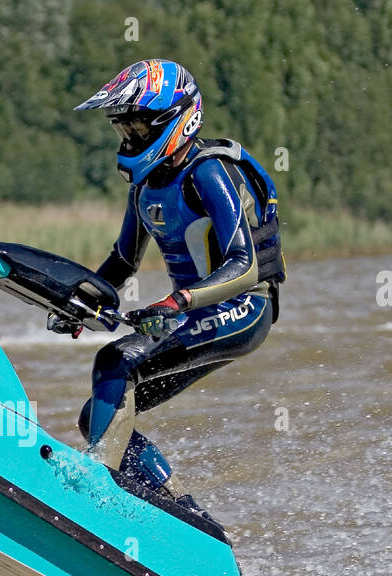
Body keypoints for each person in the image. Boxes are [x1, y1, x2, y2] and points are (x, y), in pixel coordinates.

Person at [64, 59, 286, 522]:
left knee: (116, 360)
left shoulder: (208, 173)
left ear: (178, 121)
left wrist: (176, 301)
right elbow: (123, 262)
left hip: (243, 309)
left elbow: (244, 266)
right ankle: (183, 518)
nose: (129, 140)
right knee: (100, 411)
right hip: (193, 315)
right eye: (123, 129)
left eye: (139, 127)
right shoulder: (144, 186)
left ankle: (95, 491)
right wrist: (80, 299)